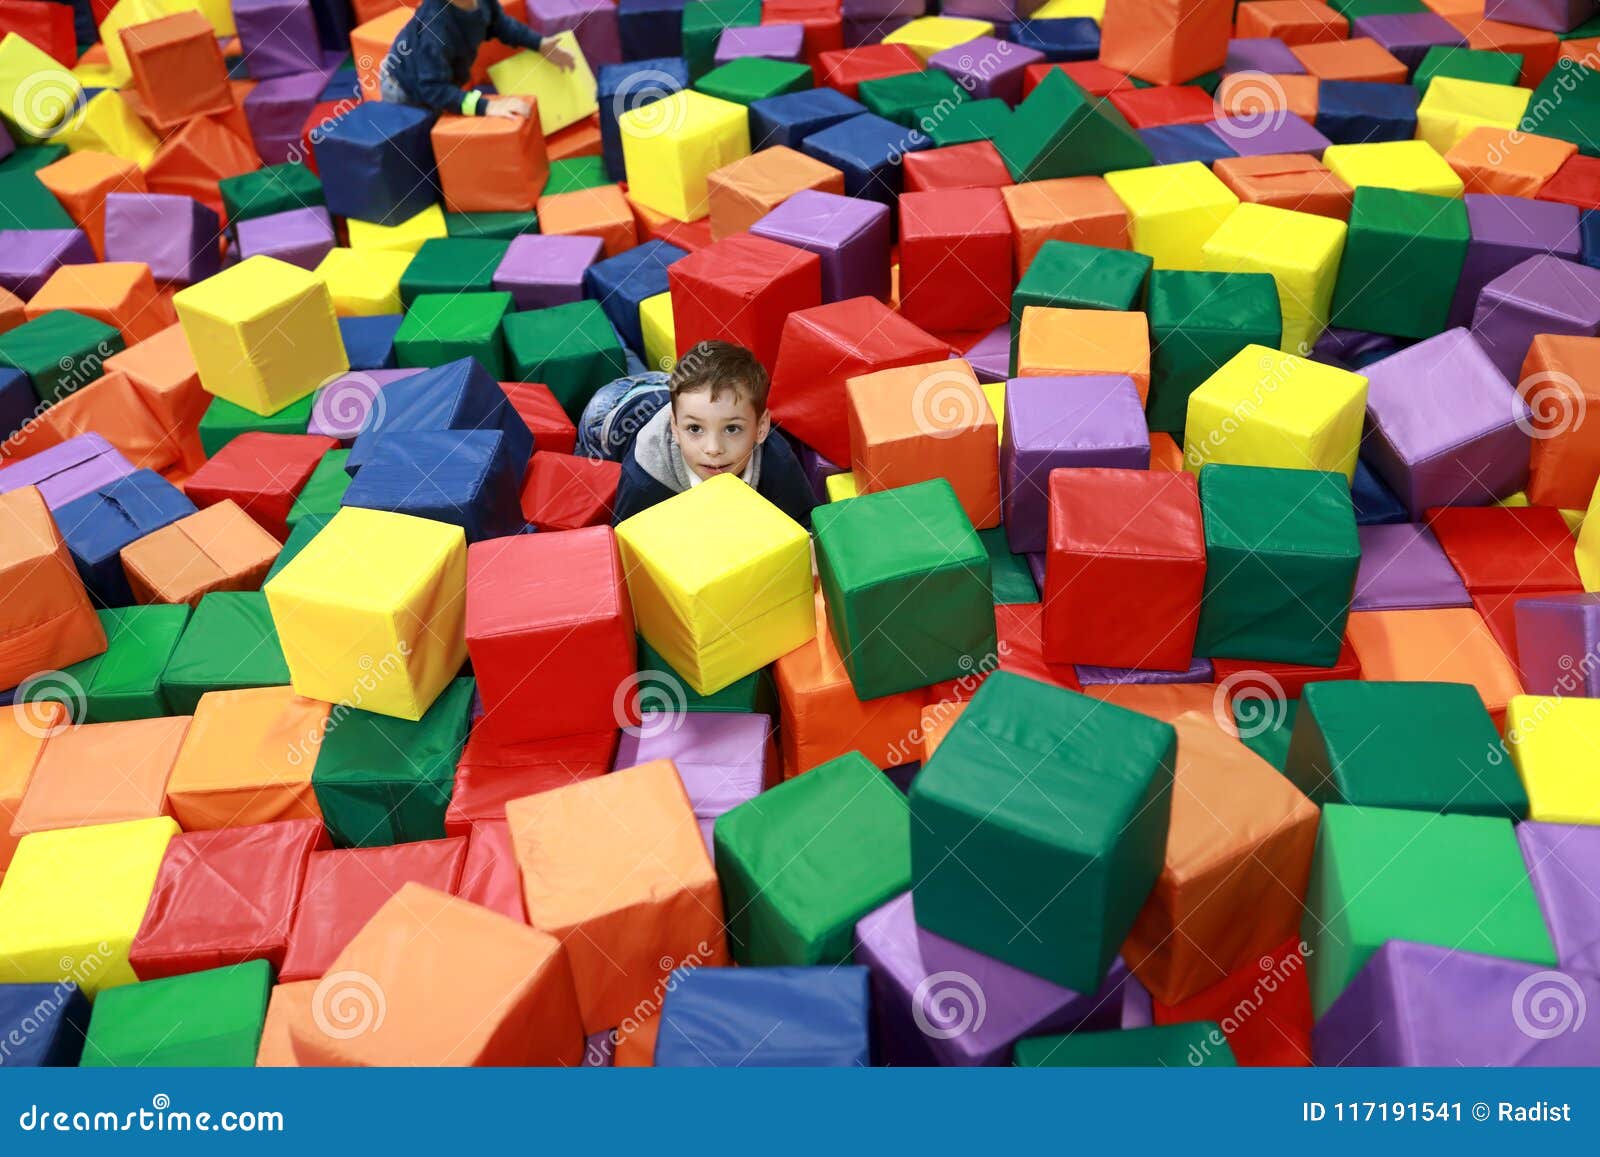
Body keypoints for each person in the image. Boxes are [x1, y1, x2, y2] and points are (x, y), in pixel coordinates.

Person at [579, 341, 817, 528]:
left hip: (674, 392)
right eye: (695, 429)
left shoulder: (776, 457)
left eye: (732, 429)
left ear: (761, 428)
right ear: (675, 428)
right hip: (612, 410)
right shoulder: (645, 482)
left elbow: (805, 523)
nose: (713, 449)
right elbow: (623, 549)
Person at [378, 0, 575, 118]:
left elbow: (499, 24)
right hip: (405, 88)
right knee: (423, 149)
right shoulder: (437, 28)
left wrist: (539, 43)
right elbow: (433, 89)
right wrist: (487, 106)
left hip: (436, 76)